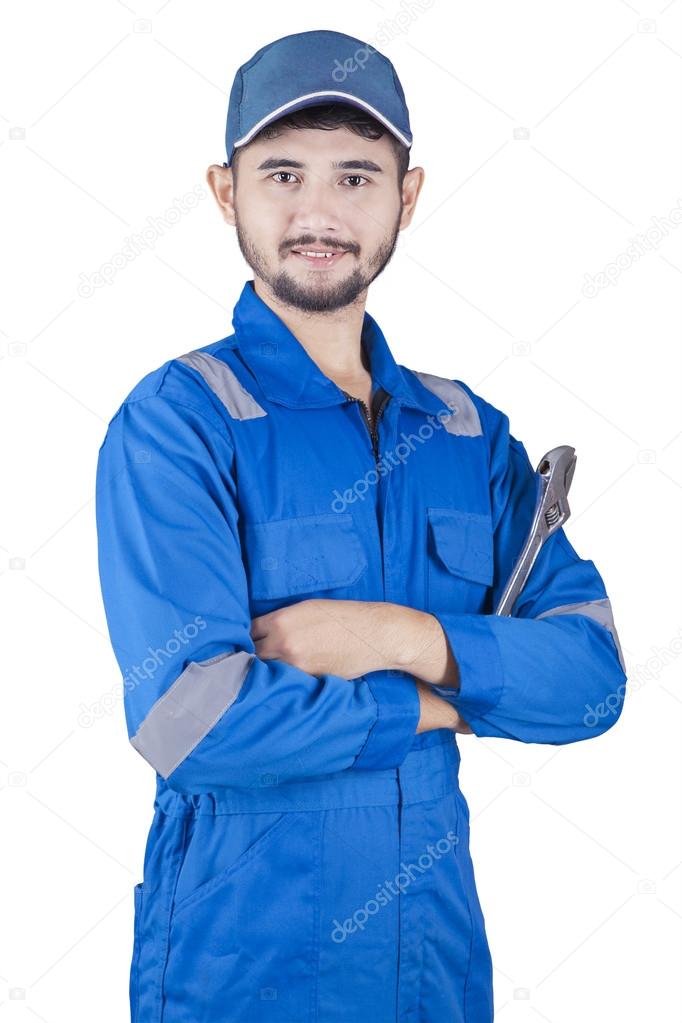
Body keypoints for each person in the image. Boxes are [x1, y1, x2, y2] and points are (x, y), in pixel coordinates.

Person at [95, 28, 628, 1023]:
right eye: (283, 174)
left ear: (407, 198)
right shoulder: (181, 423)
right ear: (225, 192)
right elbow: (190, 720)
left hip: (434, 967)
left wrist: (401, 638)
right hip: (237, 974)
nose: (318, 213)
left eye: (355, 177)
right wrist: (442, 702)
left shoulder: (465, 432)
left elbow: (591, 681)